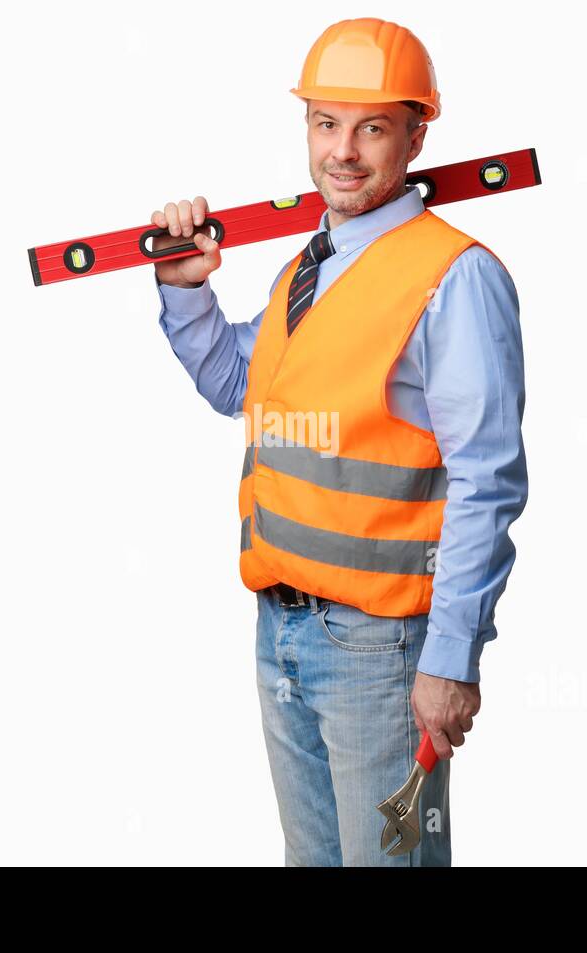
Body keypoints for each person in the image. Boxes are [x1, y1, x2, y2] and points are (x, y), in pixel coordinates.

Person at [150, 17, 528, 866]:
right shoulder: (311, 265)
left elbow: (488, 481)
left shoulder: (454, 276)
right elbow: (237, 389)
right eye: (326, 123)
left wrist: (452, 659)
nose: (344, 151)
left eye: (372, 127)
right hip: (281, 626)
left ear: (416, 134)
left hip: (381, 652)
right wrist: (185, 293)